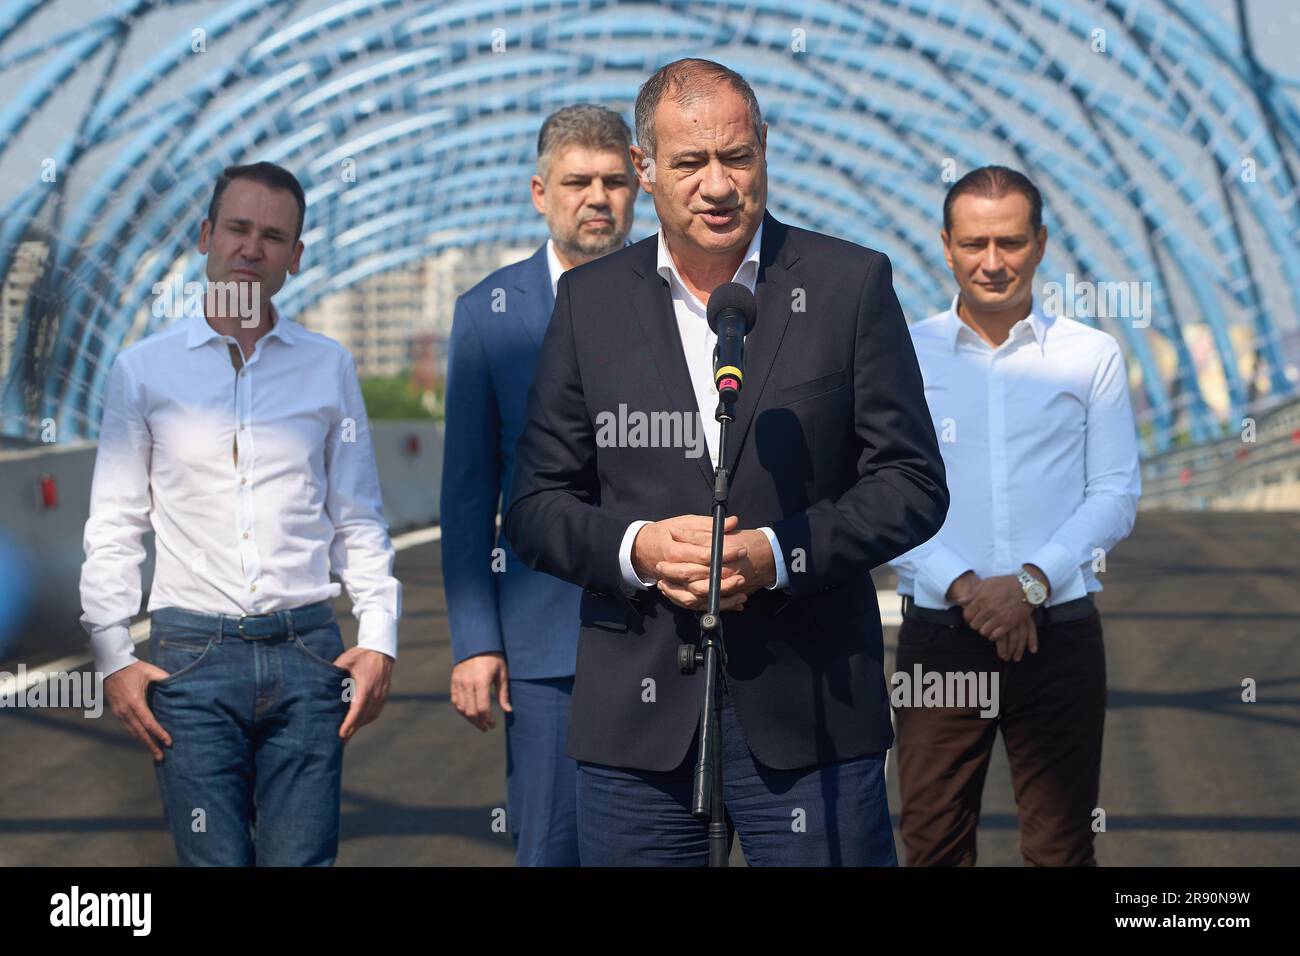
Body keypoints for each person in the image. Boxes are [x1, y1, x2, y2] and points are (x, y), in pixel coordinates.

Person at [504, 59, 949, 866]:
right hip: (637, 733)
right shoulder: (590, 304)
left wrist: (780, 554)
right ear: (645, 170)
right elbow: (534, 505)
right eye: (689, 163)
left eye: (737, 158)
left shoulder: (850, 286)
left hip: (813, 715)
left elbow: (912, 484)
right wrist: (635, 548)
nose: (718, 185)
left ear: (765, 151)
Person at [79, 161, 401, 866]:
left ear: (296, 256)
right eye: (238, 229)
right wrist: (113, 655)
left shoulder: (329, 367)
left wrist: (378, 635)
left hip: (309, 653)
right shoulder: (143, 371)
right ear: (206, 236)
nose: (252, 249)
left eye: (273, 236)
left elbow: (357, 516)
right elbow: (114, 523)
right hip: (190, 662)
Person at [889, 166, 1141, 866]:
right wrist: (969, 589)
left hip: (1058, 636)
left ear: (1040, 244)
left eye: (1009, 242)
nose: (992, 262)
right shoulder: (903, 354)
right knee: (933, 844)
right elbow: (881, 496)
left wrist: (1029, 583)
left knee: (1061, 850)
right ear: (946, 246)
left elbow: (1116, 492)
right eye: (974, 244)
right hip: (942, 639)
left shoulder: (1091, 355)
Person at [441, 104, 638, 866]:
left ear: (639, 187)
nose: (598, 197)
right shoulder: (490, 315)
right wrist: (475, 642)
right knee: (550, 843)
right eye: (578, 181)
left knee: (666, 843)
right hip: (544, 644)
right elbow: (466, 495)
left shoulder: (681, 300)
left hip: (667, 631)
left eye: (615, 181)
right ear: (539, 192)